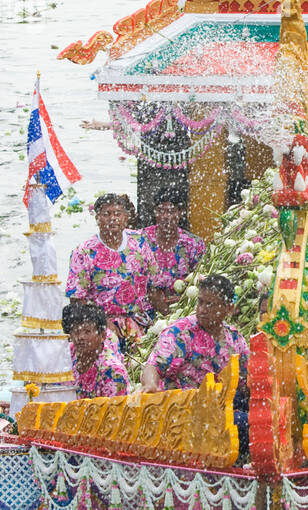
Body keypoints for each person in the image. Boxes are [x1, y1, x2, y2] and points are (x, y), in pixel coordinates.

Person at [141, 274, 250, 456]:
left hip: (219, 407)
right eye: (200, 302)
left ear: (228, 308)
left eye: (210, 305)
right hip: (186, 411)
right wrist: (150, 385)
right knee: (242, 423)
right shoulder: (181, 332)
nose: (202, 310)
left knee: (258, 415)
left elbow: (247, 381)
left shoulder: (235, 339)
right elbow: (153, 365)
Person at [66, 193, 158, 350]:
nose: (112, 218)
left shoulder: (139, 241)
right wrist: (103, 323)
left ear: (125, 217)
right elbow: (77, 300)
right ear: (97, 218)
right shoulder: (84, 252)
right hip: (101, 324)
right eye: (106, 214)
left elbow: (154, 284)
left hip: (140, 320)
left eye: (117, 213)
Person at [142, 189, 205, 297]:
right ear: (155, 212)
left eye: (171, 211)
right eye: (161, 211)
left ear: (180, 213)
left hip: (181, 306)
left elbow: (201, 279)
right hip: (145, 307)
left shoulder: (194, 244)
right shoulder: (140, 240)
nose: (166, 216)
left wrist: (181, 298)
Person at [62, 301, 130, 400]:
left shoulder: (113, 371)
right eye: (76, 331)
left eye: (87, 332)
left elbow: (115, 412)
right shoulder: (66, 354)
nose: (80, 337)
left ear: (102, 336)